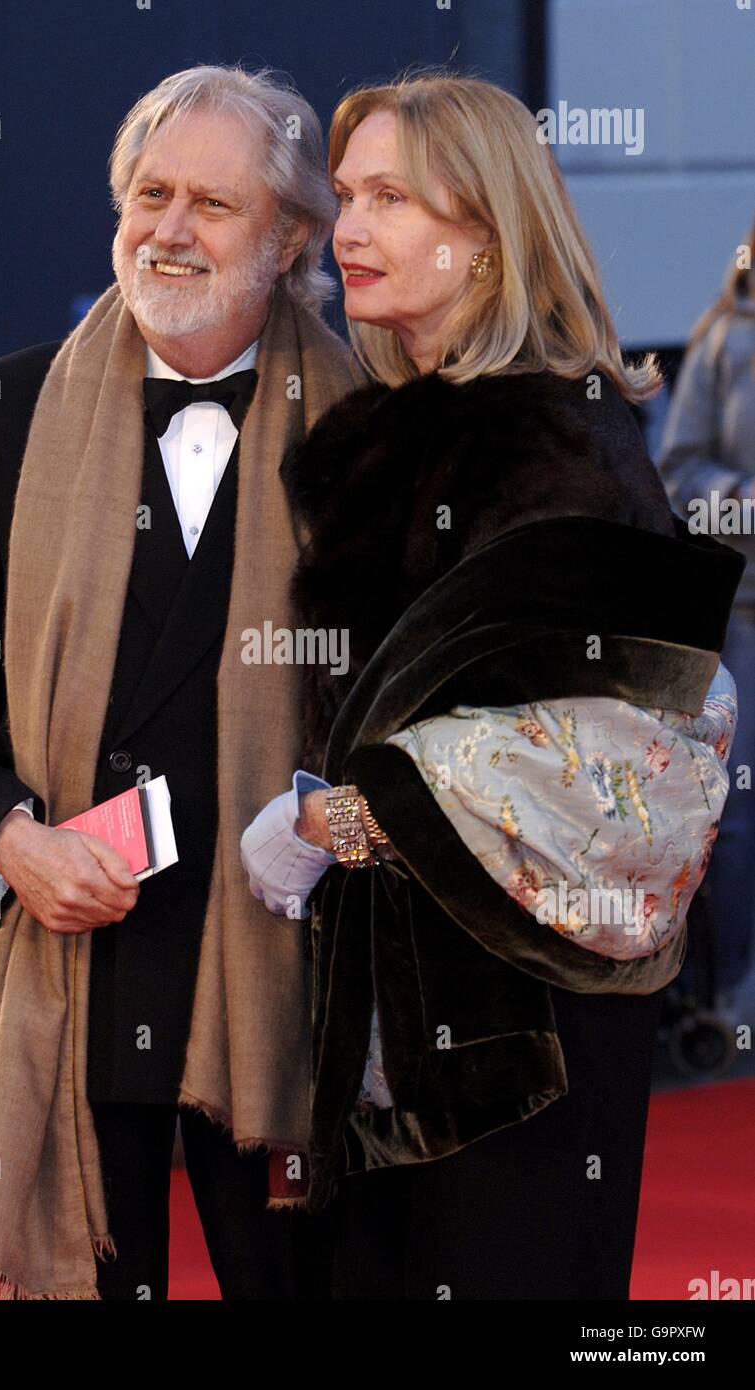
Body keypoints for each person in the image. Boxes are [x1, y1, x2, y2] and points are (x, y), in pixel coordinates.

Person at [241, 71, 744, 1300]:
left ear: (485, 235)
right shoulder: (394, 429)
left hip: (525, 1020)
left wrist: (334, 821)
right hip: (389, 1010)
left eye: (390, 198)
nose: (347, 229)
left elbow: (624, 756)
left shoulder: (557, 436)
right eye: (346, 196)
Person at [0, 64, 365, 1301]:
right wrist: (8, 839)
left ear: (295, 234)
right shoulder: (5, 408)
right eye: (151, 194)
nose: (169, 230)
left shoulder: (373, 426)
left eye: (213, 203)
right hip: (68, 979)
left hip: (283, 991)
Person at [657, 218, 755, 1022]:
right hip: (747, 615)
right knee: (738, 809)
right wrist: (743, 500)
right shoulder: (725, 340)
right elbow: (676, 474)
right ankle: (730, 996)